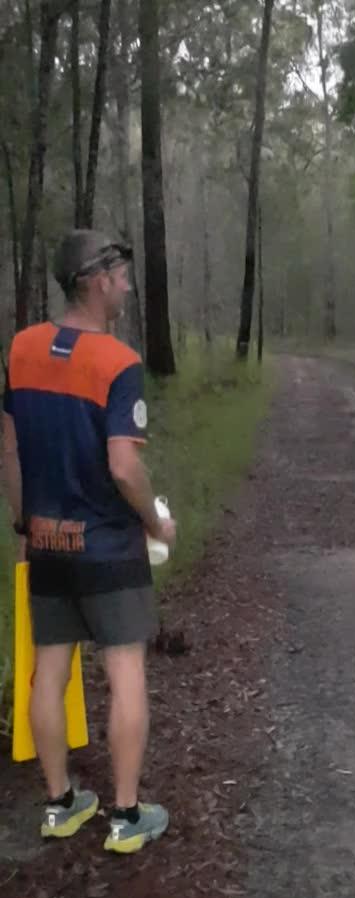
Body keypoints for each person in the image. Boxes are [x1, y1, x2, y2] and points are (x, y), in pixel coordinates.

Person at [1, 228, 176, 854]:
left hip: (47, 542)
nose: (126, 286)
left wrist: (26, 524)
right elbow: (124, 467)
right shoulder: (118, 363)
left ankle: (60, 805)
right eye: (122, 277)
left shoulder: (21, 349)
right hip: (108, 549)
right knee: (125, 672)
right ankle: (126, 817)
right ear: (98, 281)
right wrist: (155, 523)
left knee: (48, 671)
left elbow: (9, 448)